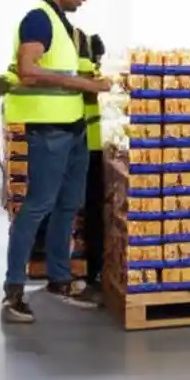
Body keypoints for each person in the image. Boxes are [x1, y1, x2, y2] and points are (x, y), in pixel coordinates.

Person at [1, 0, 111, 324]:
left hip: (73, 127)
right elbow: (28, 69)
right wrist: (85, 84)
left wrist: (92, 77)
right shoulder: (38, 18)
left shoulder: (64, 25)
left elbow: (61, 70)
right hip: (49, 129)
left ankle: (59, 280)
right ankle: (14, 291)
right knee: (37, 205)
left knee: (70, 204)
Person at [78, 29, 107, 296]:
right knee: (94, 210)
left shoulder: (77, 72)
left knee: (85, 209)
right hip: (91, 148)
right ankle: (93, 268)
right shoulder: (89, 73)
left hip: (82, 146)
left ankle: (89, 269)